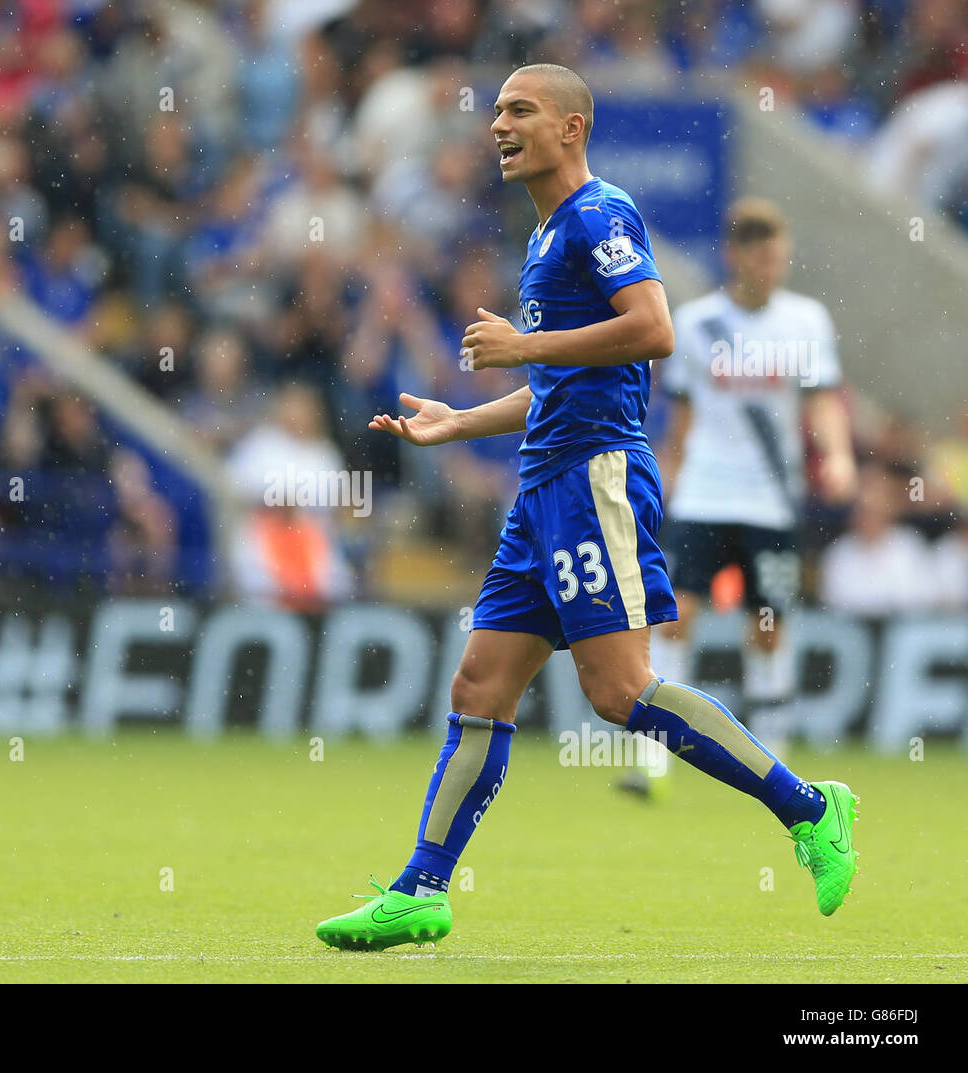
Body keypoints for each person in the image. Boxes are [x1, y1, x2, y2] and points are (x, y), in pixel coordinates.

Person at [315, 64, 859, 952]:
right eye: (494, 109)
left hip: (597, 478)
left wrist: (523, 344)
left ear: (572, 127)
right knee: (480, 684)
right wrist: (459, 423)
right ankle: (421, 888)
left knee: (620, 691)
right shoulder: (541, 241)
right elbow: (561, 380)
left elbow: (654, 329)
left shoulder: (598, 214)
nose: (499, 122)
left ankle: (811, 808)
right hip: (545, 488)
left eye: (520, 109)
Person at [647, 197, 856, 772]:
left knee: (767, 627)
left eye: (778, 258)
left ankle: (773, 756)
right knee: (677, 614)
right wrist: (667, 476)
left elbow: (822, 400)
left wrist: (837, 455)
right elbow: (682, 418)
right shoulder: (696, 324)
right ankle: (655, 762)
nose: (772, 269)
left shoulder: (805, 321)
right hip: (705, 495)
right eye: (761, 257)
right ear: (733, 256)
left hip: (772, 500)